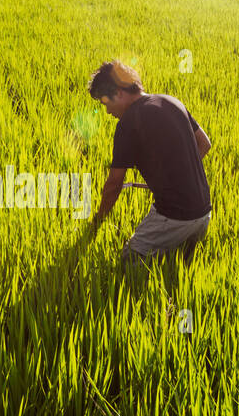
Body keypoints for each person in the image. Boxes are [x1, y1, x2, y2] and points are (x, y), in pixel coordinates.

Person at [86, 60, 212, 267]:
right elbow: (204, 144)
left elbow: (114, 185)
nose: (108, 112)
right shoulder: (171, 102)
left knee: (128, 263)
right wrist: (178, 178)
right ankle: (177, 258)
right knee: (180, 261)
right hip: (204, 214)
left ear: (119, 93)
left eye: (107, 103)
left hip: (174, 217)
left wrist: (97, 222)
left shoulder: (128, 124)